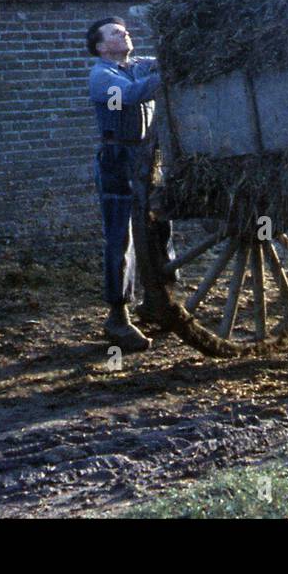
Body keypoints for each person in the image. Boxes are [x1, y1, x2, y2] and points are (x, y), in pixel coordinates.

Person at [86, 17, 173, 352]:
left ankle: (156, 299)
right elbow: (131, 96)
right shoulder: (102, 77)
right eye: (114, 32)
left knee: (159, 225)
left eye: (124, 29)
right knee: (120, 237)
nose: (124, 33)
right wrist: (166, 77)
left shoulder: (135, 64)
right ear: (100, 46)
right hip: (117, 160)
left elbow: (160, 63)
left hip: (145, 157)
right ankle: (117, 317)